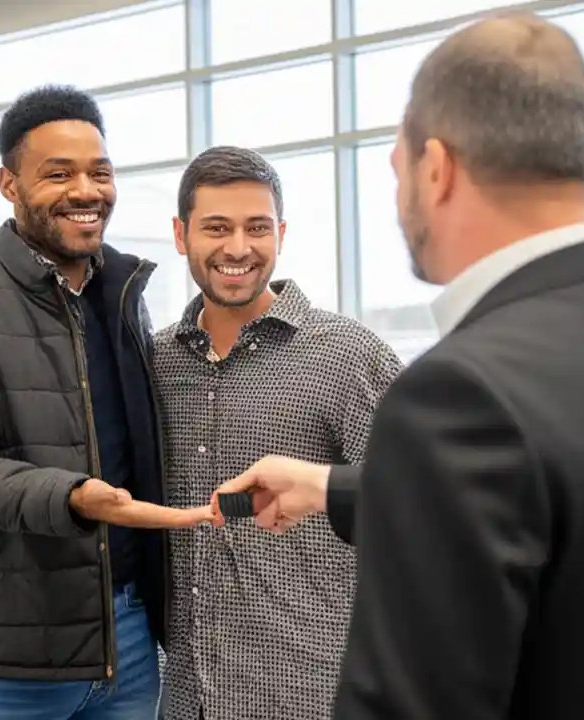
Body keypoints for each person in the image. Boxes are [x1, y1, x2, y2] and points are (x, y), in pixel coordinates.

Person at [213, 13, 584, 720]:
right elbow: (540, 500)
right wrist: (332, 487)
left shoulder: (456, 393)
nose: (397, 199)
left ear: (438, 168)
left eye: (397, 170)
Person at [0, 84, 210, 720]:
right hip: (7, 650)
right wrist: (70, 498)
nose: (86, 191)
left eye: (100, 172)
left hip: (127, 637)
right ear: (9, 185)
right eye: (58, 174)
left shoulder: (123, 294)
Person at [152, 145, 403, 720]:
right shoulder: (155, 363)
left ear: (281, 233)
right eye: (216, 227)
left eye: (256, 228)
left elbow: (423, 500)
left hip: (314, 694)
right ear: (180, 233)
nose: (237, 248)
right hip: (185, 697)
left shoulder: (347, 356)